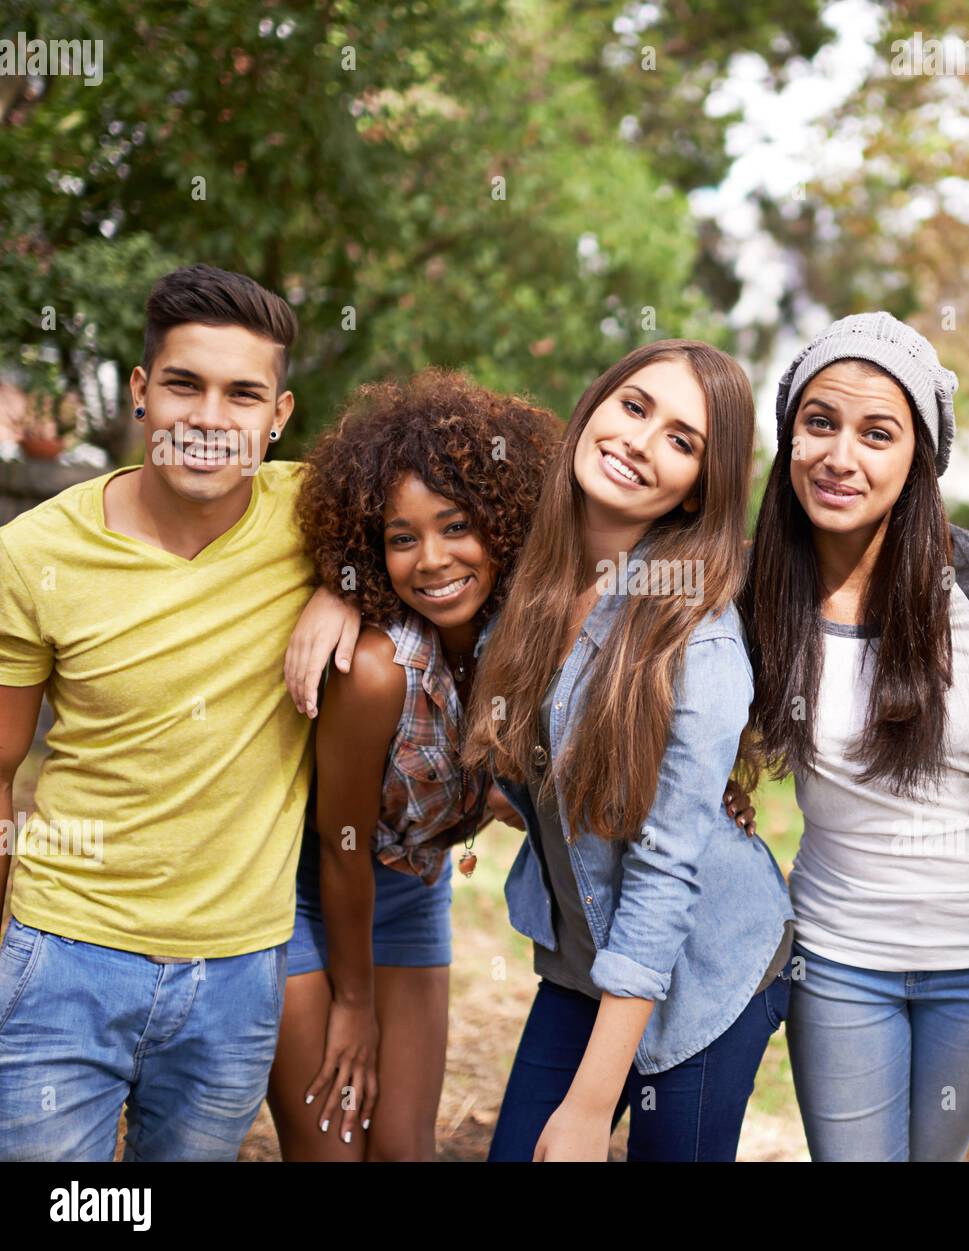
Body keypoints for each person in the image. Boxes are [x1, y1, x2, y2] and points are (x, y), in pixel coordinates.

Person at [0, 263, 312, 1161]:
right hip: (65, 956)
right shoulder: (33, 553)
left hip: (240, 974)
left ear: (278, 416)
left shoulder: (318, 516)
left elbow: (479, 533)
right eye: (185, 383)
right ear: (142, 391)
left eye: (243, 393)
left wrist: (340, 592)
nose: (211, 418)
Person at [463, 340, 795, 1162]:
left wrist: (588, 1106)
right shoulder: (538, 576)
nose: (642, 442)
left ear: (697, 490)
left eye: (683, 441)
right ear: (596, 406)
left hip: (705, 963)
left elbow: (661, 876)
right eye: (635, 407)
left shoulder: (695, 641)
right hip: (589, 960)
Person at [742, 312, 969, 1161]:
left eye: (879, 432)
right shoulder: (753, 588)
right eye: (820, 423)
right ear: (790, 436)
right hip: (836, 956)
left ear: (920, 456)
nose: (842, 456)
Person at [265, 369, 562, 1159]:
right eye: (401, 537)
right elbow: (341, 846)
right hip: (308, 901)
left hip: (413, 895)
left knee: (403, 1147)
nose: (431, 560)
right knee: (331, 1147)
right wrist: (352, 1004)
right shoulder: (375, 671)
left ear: (501, 523)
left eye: (455, 525)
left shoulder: (528, 644)